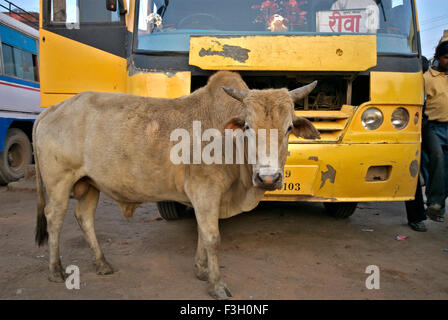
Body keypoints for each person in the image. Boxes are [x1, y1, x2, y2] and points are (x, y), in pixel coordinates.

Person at [421, 40, 448, 223]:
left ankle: (438, 208)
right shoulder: (426, 78)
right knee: (437, 159)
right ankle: (435, 204)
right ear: (437, 58)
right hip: (432, 127)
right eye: (446, 57)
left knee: (444, 169)